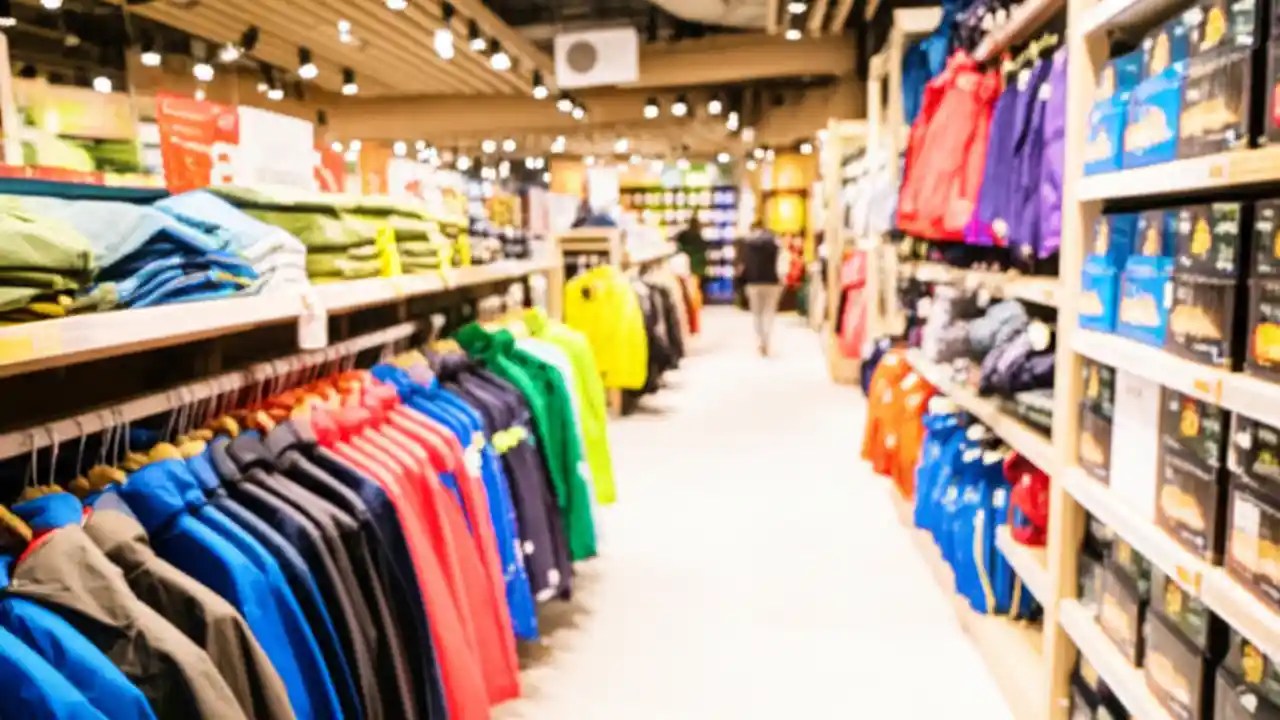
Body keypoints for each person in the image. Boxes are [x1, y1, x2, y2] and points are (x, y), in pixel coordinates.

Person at [737, 223, 785, 356]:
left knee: (757, 314)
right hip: (772, 282)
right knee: (769, 313)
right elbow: (781, 264)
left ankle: (759, 340)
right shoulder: (775, 244)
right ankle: (766, 341)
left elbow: (742, 265)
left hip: (753, 282)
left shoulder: (747, 244)